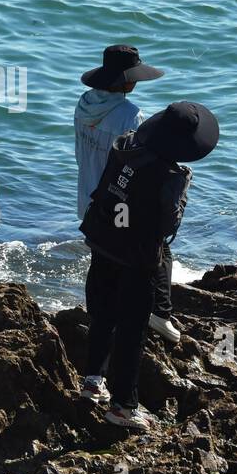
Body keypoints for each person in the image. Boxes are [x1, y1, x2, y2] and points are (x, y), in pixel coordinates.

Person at [80, 102, 219, 430]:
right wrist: (182, 192)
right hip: (136, 257)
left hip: (103, 240)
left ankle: (91, 382)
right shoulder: (171, 175)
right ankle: (122, 408)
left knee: (102, 315)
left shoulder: (125, 144)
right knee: (131, 331)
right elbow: (168, 225)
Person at [75, 45, 181, 345]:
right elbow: (135, 164)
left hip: (88, 198)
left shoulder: (83, 104)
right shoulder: (130, 114)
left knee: (102, 259)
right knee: (158, 249)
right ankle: (160, 313)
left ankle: (99, 317)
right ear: (126, 81)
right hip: (118, 202)